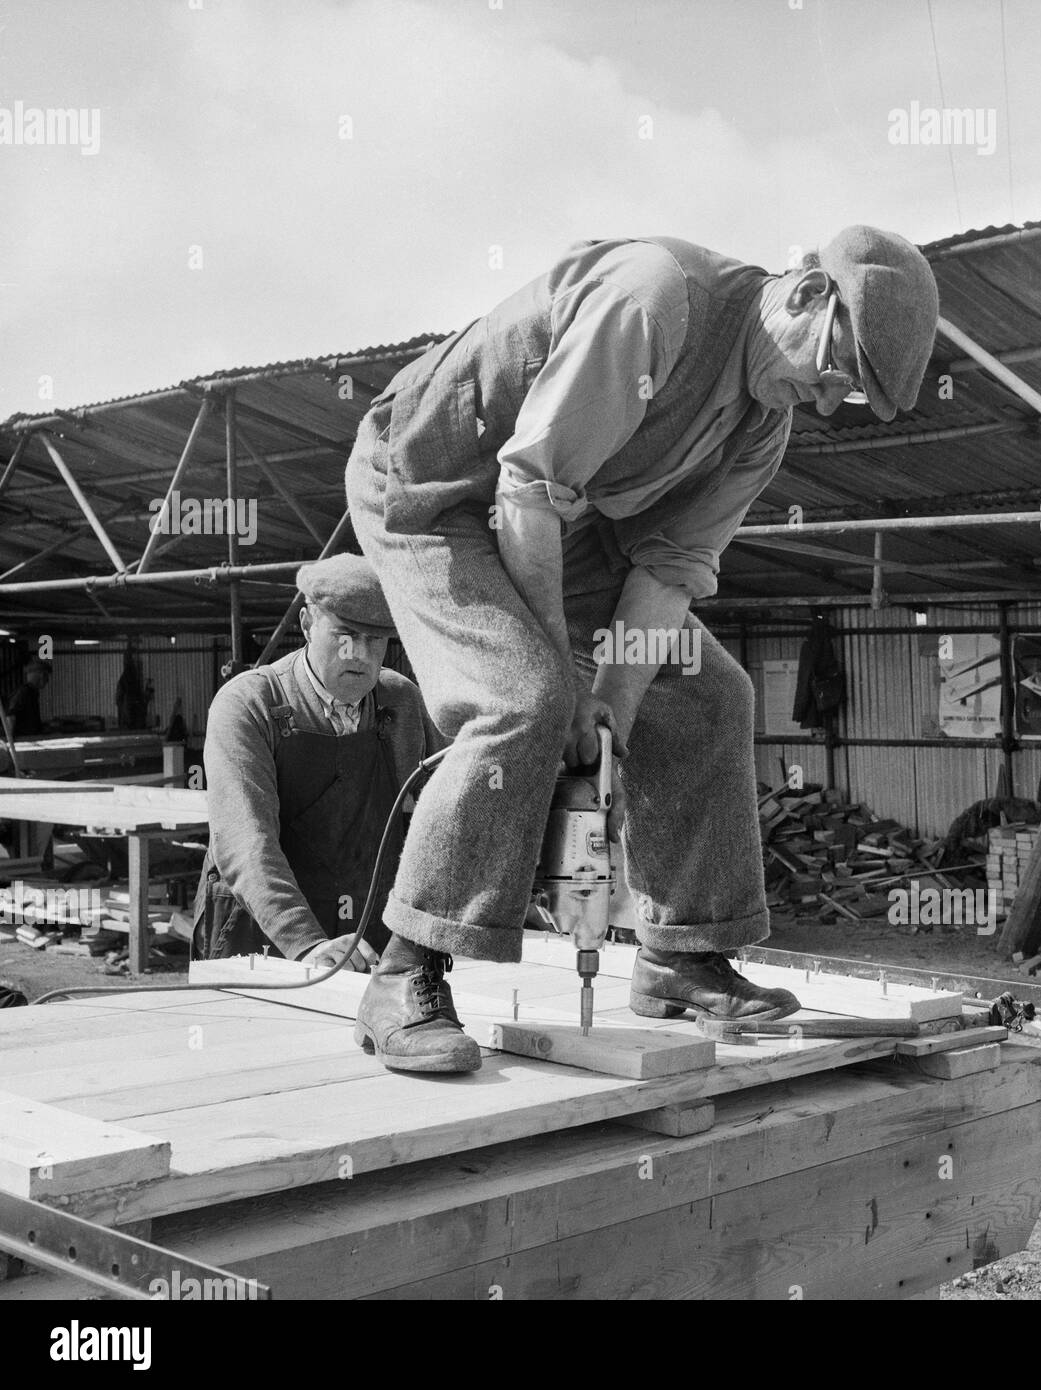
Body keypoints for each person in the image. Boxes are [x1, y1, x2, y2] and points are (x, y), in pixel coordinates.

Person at [344, 226, 940, 1075]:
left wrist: (611, 720)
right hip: (433, 489)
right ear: (810, 294)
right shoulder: (656, 301)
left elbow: (666, 572)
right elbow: (529, 491)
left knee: (705, 696)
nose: (829, 399)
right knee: (526, 699)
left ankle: (680, 959)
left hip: (561, 524)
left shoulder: (761, 429)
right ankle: (404, 970)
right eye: (838, 369)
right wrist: (566, 686)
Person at [192, 556, 459, 1049]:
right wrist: (307, 944)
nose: (358, 653)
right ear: (306, 622)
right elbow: (245, 841)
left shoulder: (400, 703)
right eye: (344, 634)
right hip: (260, 935)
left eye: (375, 640)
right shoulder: (249, 705)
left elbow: (447, 810)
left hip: (363, 931)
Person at [6, 657, 51, 737]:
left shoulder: (32, 693)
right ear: (40, 675)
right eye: (45, 675)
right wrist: (10, 742)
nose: (47, 680)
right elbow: (10, 717)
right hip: (24, 741)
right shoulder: (23, 693)